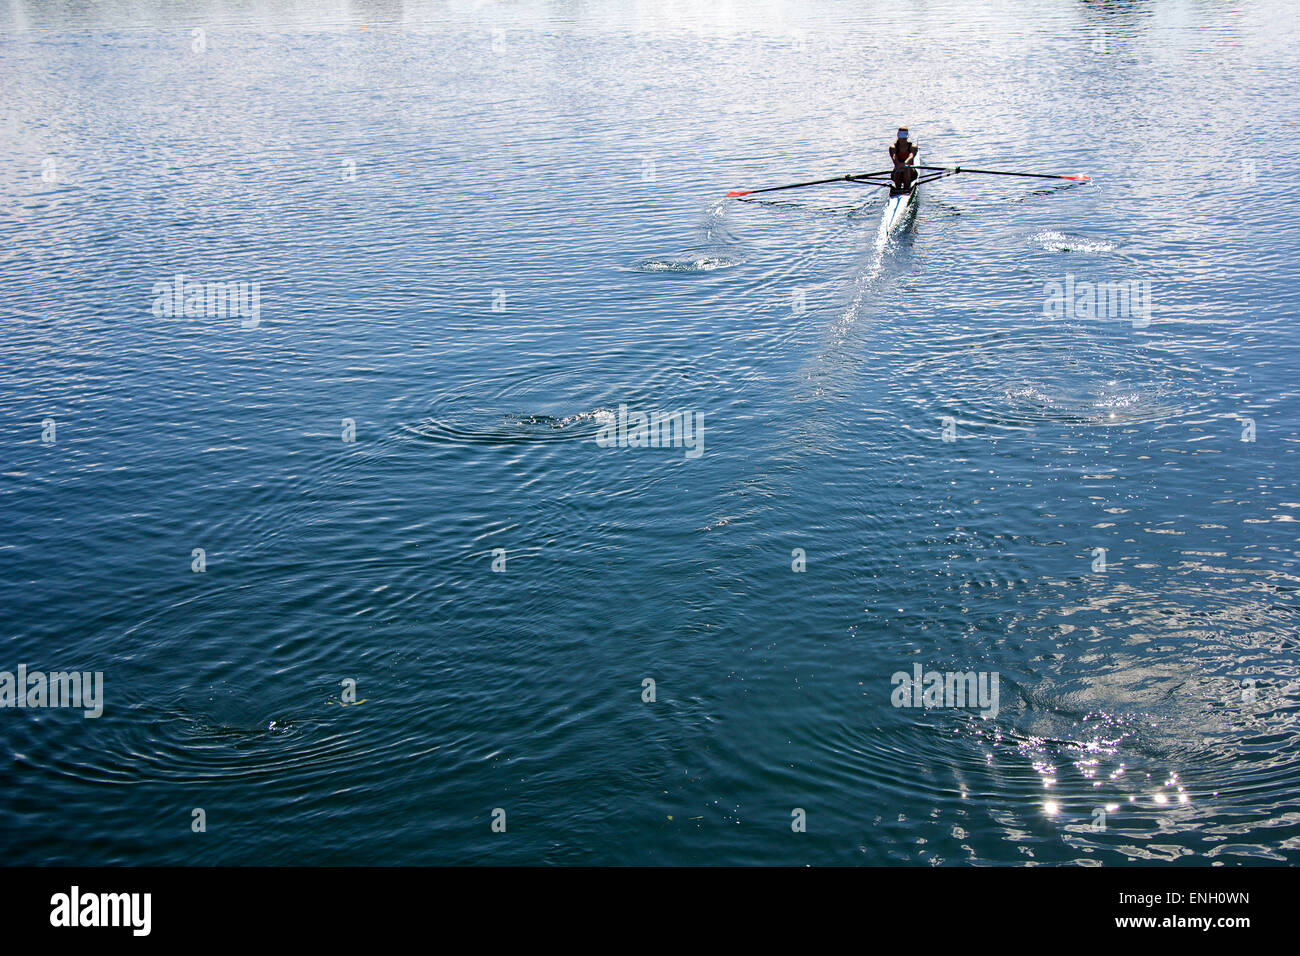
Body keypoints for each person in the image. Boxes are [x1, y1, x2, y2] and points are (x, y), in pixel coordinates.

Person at [889, 127, 918, 194]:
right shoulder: (893, 147)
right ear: (898, 135)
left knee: (906, 168)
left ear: (907, 136)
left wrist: (904, 163)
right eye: (901, 135)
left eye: (904, 135)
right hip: (897, 172)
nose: (903, 138)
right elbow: (894, 156)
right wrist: (898, 164)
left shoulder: (912, 146)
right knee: (899, 169)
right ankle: (897, 189)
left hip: (911, 173)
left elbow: (911, 156)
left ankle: (907, 189)